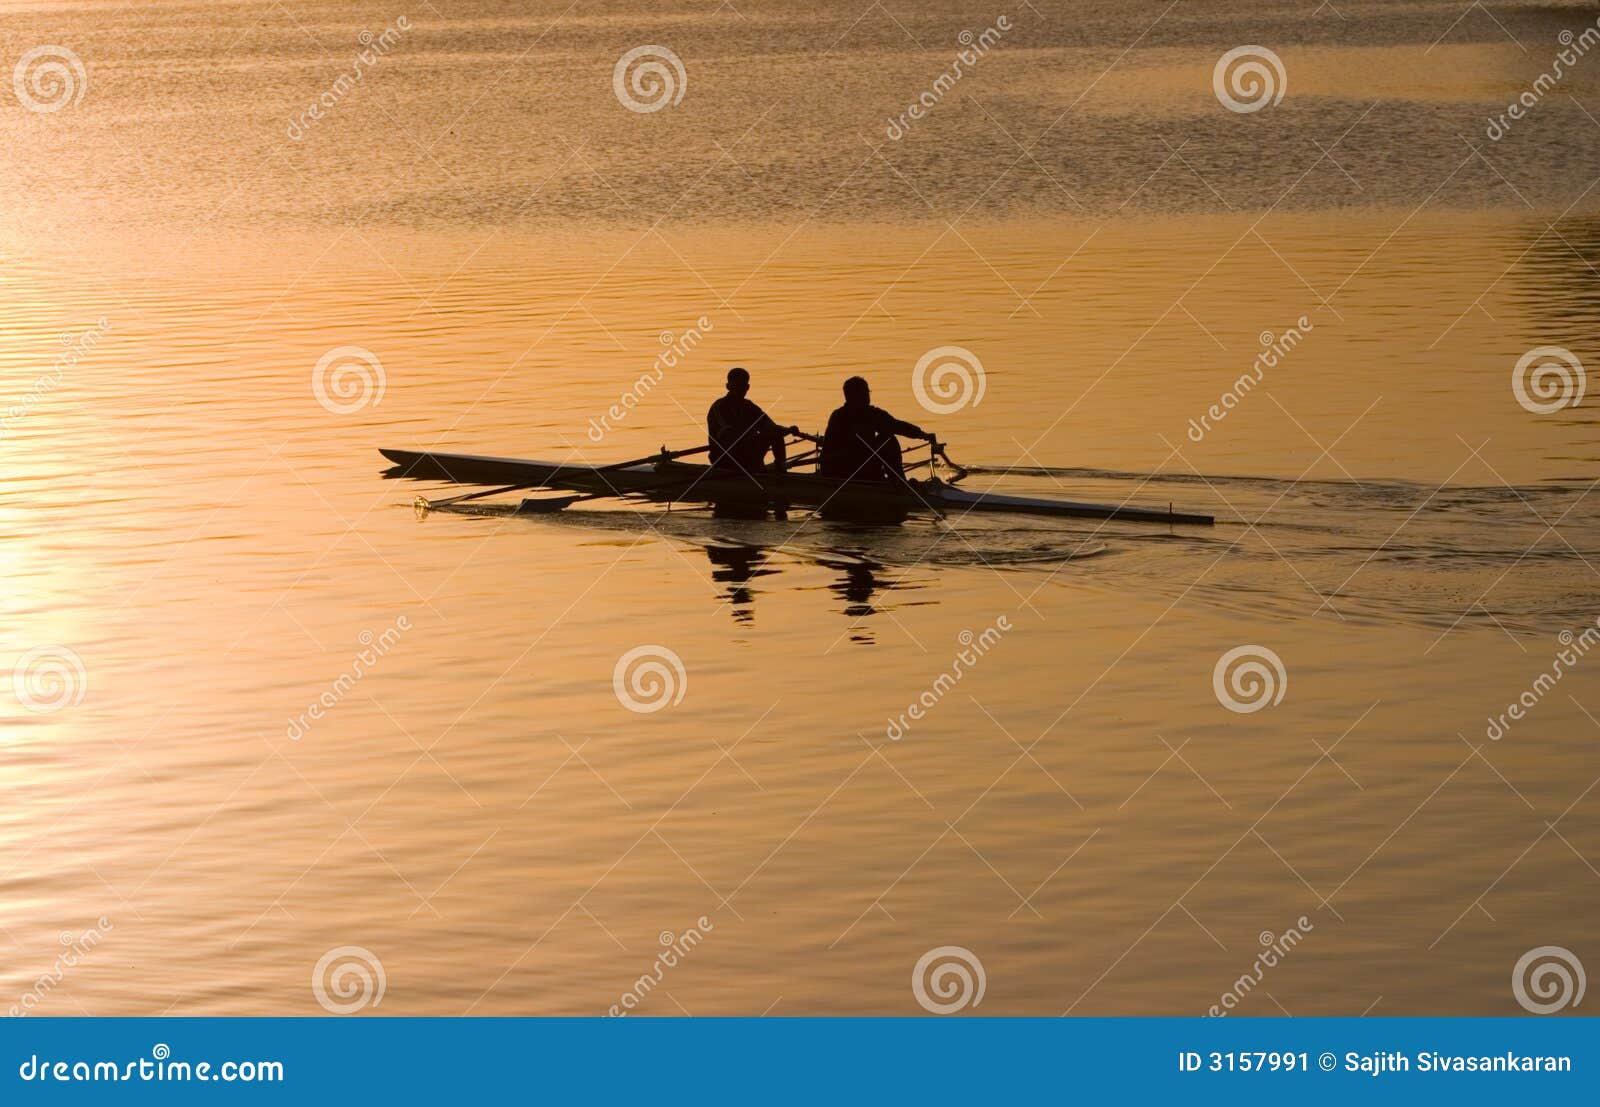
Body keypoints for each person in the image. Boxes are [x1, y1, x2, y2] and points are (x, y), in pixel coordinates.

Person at [820, 376, 936, 483]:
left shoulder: (870, 413)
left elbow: (897, 426)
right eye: (864, 393)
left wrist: (923, 435)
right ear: (852, 397)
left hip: (857, 466)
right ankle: (899, 484)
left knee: (886, 437)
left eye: (867, 393)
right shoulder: (840, 417)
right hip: (841, 471)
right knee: (889, 442)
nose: (868, 397)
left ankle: (895, 482)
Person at [707, 367, 797, 476]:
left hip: (747, 454)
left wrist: (788, 430)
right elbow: (728, 436)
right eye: (736, 386)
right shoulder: (719, 407)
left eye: (743, 386)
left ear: (747, 387)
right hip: (724, 459)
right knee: (769, 433)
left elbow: (770, 426)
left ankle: (781, 469)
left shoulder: (749, 406)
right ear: (728, 386)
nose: (740, 389)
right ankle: (758, 467)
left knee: (774, 432)